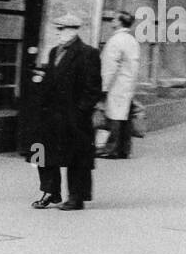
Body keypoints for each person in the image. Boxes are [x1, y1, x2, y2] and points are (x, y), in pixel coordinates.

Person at [29, 13, 102, 210]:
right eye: (57, 29)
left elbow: (93, 88)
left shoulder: (88, 53)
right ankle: (50, 191)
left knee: (76, 157)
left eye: (61, 29)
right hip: (52, 115)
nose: (58, 32)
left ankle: (76, 197)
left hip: (74, 116)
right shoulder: (54, 52)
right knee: (41, 153)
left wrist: (81, 111)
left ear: (74, 30)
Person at [98, 11, 140, 159]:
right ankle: (125, 149)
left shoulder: (116, 40)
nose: (112, 20)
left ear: (120, 22)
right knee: (125, 118)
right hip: (127, 83)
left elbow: (109, 67)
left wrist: (102, 87)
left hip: (116, 83)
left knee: (114, 116)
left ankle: (111, 149)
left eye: (115, 18)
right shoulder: (131, 39)